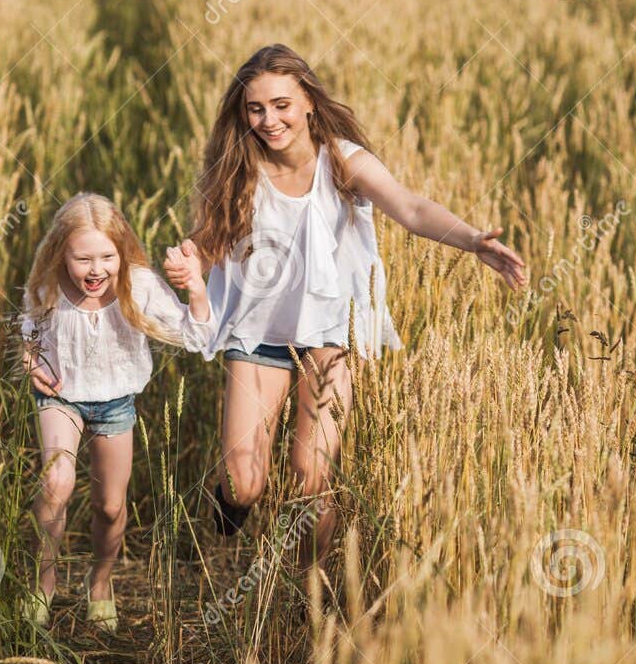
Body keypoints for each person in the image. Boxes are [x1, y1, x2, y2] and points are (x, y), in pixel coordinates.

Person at [180, 44, 527, 564]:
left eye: (282, 105)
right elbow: (207, 246)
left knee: (311, 476)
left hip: (326, 335)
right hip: (255, 337)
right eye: (256, 109)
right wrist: (185, 269)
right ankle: (232, 504)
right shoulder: (237, 166)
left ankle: (311, 597)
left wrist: (472, 240)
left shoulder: (342, 160)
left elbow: (410, 208)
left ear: (309, 103)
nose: (269, 120)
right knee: (245, 483)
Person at [18, 193, 214, 630]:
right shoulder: (50, 285)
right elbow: (28, 326)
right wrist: (32, 362)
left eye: (107, 256)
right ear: (61, 253)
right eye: (82, 258)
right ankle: (43, 585)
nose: (95, 269)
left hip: (115, 402)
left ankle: (100, 583)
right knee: (57, 481)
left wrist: (197, 289)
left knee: (110, 505)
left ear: (121, 252)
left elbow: (195, 336)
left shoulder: (138, 285)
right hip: (60, 395)